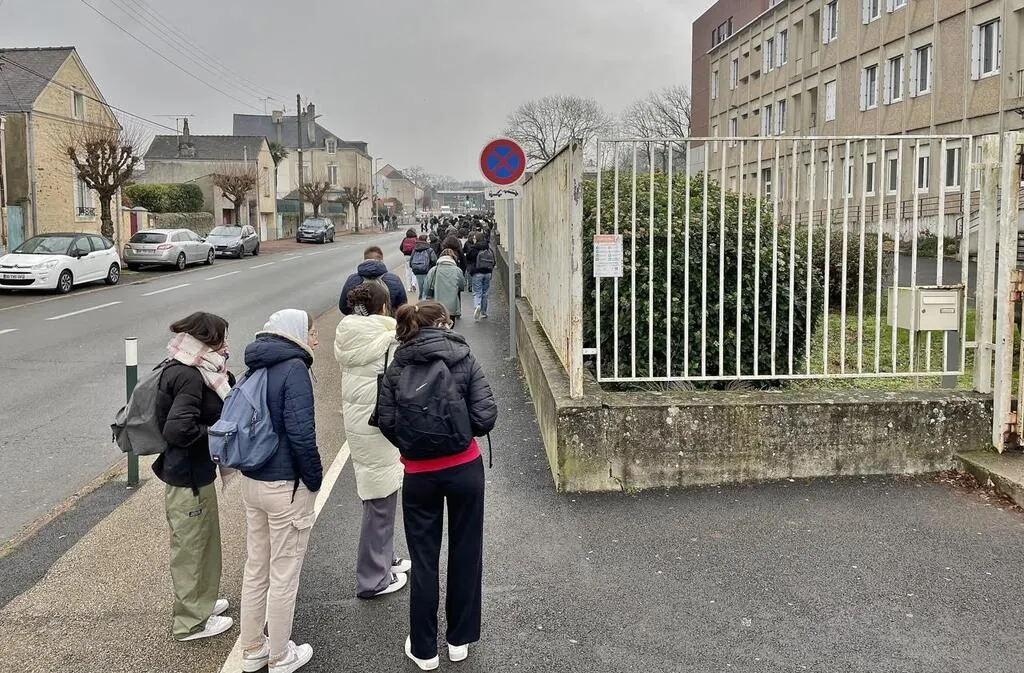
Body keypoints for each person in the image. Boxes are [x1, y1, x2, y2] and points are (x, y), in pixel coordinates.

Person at [374, 301, 498, 670]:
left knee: (424, 559)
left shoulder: (397, 364)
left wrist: (414, 446)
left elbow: (386, 421)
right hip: (464, 469)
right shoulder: (463, 356)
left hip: (419, 475)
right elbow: (485, 416)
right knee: (466, 551)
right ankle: (459, 640)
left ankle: (425, 649)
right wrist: (457, 432)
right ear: (442, 323)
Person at [238, 309, 324, 673]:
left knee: (256, 567)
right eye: (311, 331)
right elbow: (302, 434)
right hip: (284, 485)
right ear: (295, 332)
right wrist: (315, 479)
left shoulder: (255, 366)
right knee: (284, 572)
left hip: (252, 480)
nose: (315, 338)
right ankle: (280, 655)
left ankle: (252, 648)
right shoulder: (294, 369)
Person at [154, 312, 235, 642]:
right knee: (191, 548)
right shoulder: (189, 374)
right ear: (208, 338)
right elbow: (177, 429)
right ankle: (190, 623)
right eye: (221, 337)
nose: (225, 343)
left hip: (192, 473)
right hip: (187, 477)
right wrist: (216, 431)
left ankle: (202, 602)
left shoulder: (186, 364)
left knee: (204, 542)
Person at [334, 283, 410, 600]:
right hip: (382, 424)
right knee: (381, 497)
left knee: (377, 492)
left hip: (360, 421)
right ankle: (373, 578)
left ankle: (386, 557)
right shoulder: (388, 336)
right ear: (383, 307)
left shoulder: (348, 333)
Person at [339, 246, 407, 316]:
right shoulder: (394, 279)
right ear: (382, 261)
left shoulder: (352, 279)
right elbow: (402, 306)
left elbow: (343, 307)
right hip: (386, 321)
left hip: (360, 321)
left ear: (365, 260)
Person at [424, 249, 466, 320]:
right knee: (450, 323)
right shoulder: (457, 270)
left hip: (437, 305)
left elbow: (427, 286)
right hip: (452, 306)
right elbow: (462, 285)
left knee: (438, 323)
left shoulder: (434, 270)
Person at [465, 233, 493, 321]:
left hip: (477, 273)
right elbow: (493, 261)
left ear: (477, 239)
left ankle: (477, 305)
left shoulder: (474, 249)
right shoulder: (488, 248)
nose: (473, 240)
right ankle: (483, 312)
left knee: (477, 292)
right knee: (485, 292)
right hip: (487, 272)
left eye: (474, 238)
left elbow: (468, 259)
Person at [409, 235, 438, 301]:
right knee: (426, 289)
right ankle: (423, 301)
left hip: (417, 271)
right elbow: (434, 260)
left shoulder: (415, 250)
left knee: (421, 288)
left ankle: (421, 300)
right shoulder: (429, 250)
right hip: (427, 271)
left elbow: (411, 262)